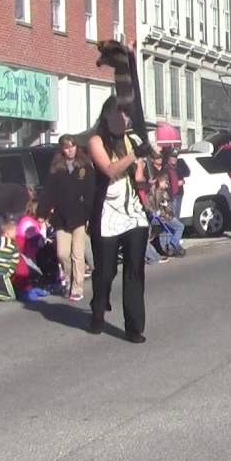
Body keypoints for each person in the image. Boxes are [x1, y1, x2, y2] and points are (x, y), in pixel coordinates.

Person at [87, 96, 151, 343]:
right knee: (106, 271)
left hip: (133, 212)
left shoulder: (131, 140)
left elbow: (139, 178)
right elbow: (109, 169)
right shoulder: (96, 141)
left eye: (126, 114)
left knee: (135, 269)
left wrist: (144, 173)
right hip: (107, 213)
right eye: (120, 113)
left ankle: (134, 327)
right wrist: (134, 155)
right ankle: (98, 309)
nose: (124, 118)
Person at [38, 134, 95, 301]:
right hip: (61, 218)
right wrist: (42, 212)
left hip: (79, 216)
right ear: (62, 149)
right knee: (62, 253)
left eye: (72, 146)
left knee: (77, 253)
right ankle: (69, 280)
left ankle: (77, 287)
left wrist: (89, 212)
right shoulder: (56, 169)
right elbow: (48, 193)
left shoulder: (85, 167)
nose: (70, 150)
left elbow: (91, 191)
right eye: (66, 147)